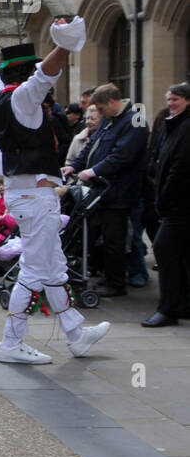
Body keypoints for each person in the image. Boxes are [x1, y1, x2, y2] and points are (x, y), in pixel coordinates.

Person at [0, 25, 109, 364]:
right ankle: (11, 342)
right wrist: (63, 46)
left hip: (27, 194)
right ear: (26, 74)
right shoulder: (23, 98)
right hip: (37, 198)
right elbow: (44, 75)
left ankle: (76, 334)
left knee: (53, 268)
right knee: (36, 269)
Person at [63, 82, 148, 297]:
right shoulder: (110, 120)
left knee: (115, 238)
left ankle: (116, 283)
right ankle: (108, 274)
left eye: (100, 109)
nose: (98, 114)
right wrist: (75, 165)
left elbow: (122, 156)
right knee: (99, 235)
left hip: (118, 191)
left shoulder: (134, 122)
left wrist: (93, 171)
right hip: (101, 190)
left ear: (111, 102)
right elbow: (92, 145)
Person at [143, 82, 190, 327]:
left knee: (164, 248)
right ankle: (180, 304)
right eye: (169, 99)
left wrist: (164, 197)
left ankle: (169, 308)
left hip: (179, 205)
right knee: (179, 254)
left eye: (177, 99)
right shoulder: (171, 125)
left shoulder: (185, 127)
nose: (171, 103)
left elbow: (180, 169)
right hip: (173, 203)